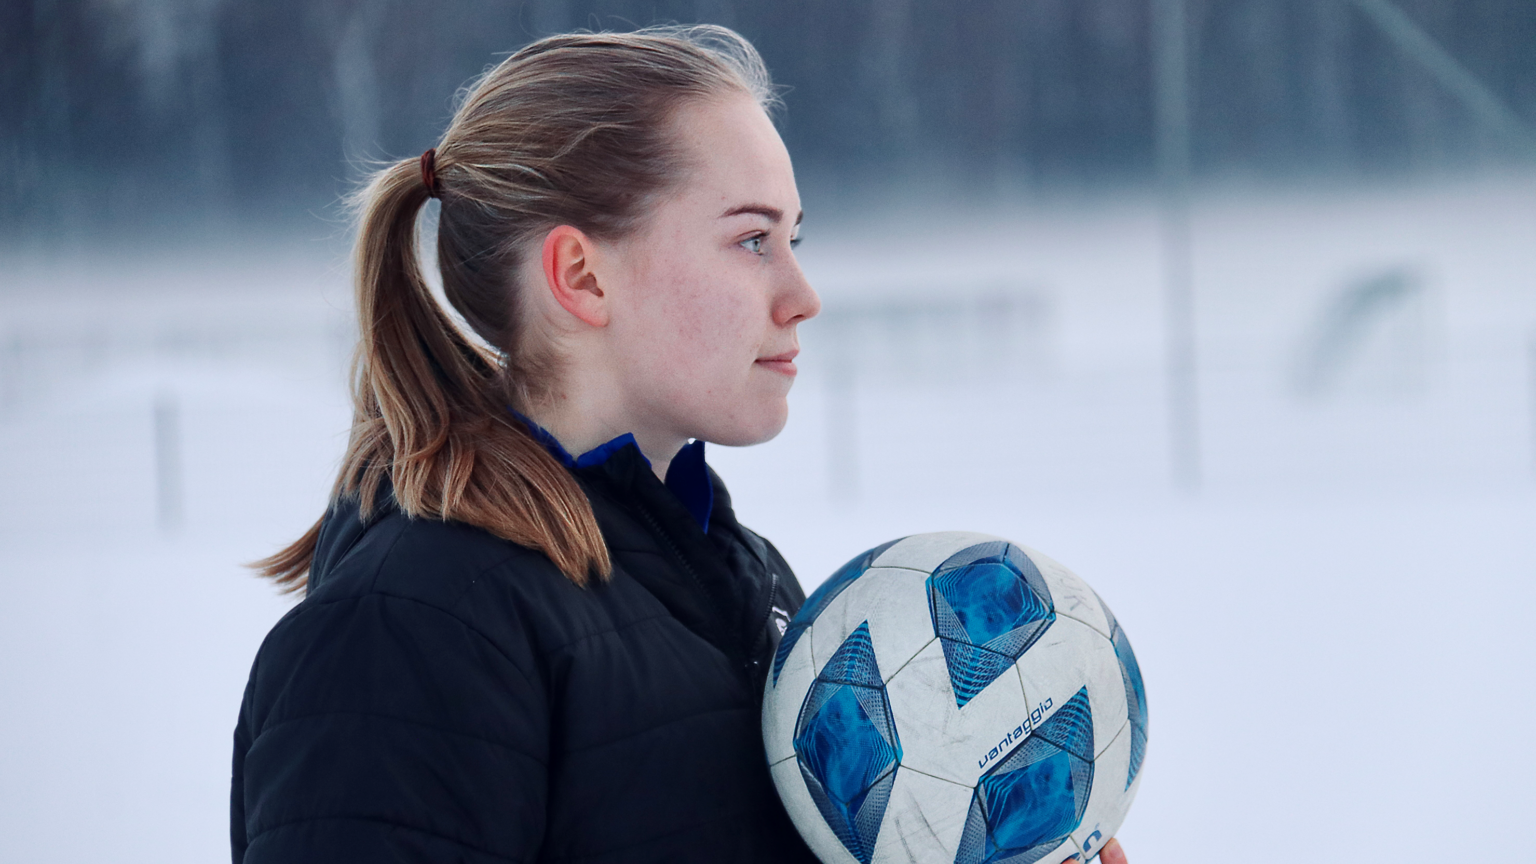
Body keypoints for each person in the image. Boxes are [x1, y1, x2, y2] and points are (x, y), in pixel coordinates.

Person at [230, 24, 1130, 864]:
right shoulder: (411, 630)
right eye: (751, 240)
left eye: (794, 238)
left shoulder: (746, 582)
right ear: (582, 276)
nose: (802, 293)